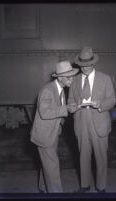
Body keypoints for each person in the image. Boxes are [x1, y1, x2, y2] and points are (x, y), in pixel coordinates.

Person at [68, 47, 116, 193]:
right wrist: (73, 107)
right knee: (83, 156)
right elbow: (70, 99)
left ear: (94, 63)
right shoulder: (75, 80)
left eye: (88, 65)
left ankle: (101, 187)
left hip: (100, 122)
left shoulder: (105, 78)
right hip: (81, 122)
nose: (85, 68)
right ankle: (85, 185)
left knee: (101, 157)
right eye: (82, 65)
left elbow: (112, 99)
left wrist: (101, 105)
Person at [30, 61, 79, 193]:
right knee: (52, 166)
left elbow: (58, 110)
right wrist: (66, 109)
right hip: (45, 136)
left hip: (52, 133)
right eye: (69, 77)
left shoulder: (60, 89)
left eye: (73, 76)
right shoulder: (47, 90)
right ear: (60, 77)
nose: (72, 79)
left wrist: (68, 110)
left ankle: (43, 187)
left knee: (47, 163)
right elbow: (44, 113)